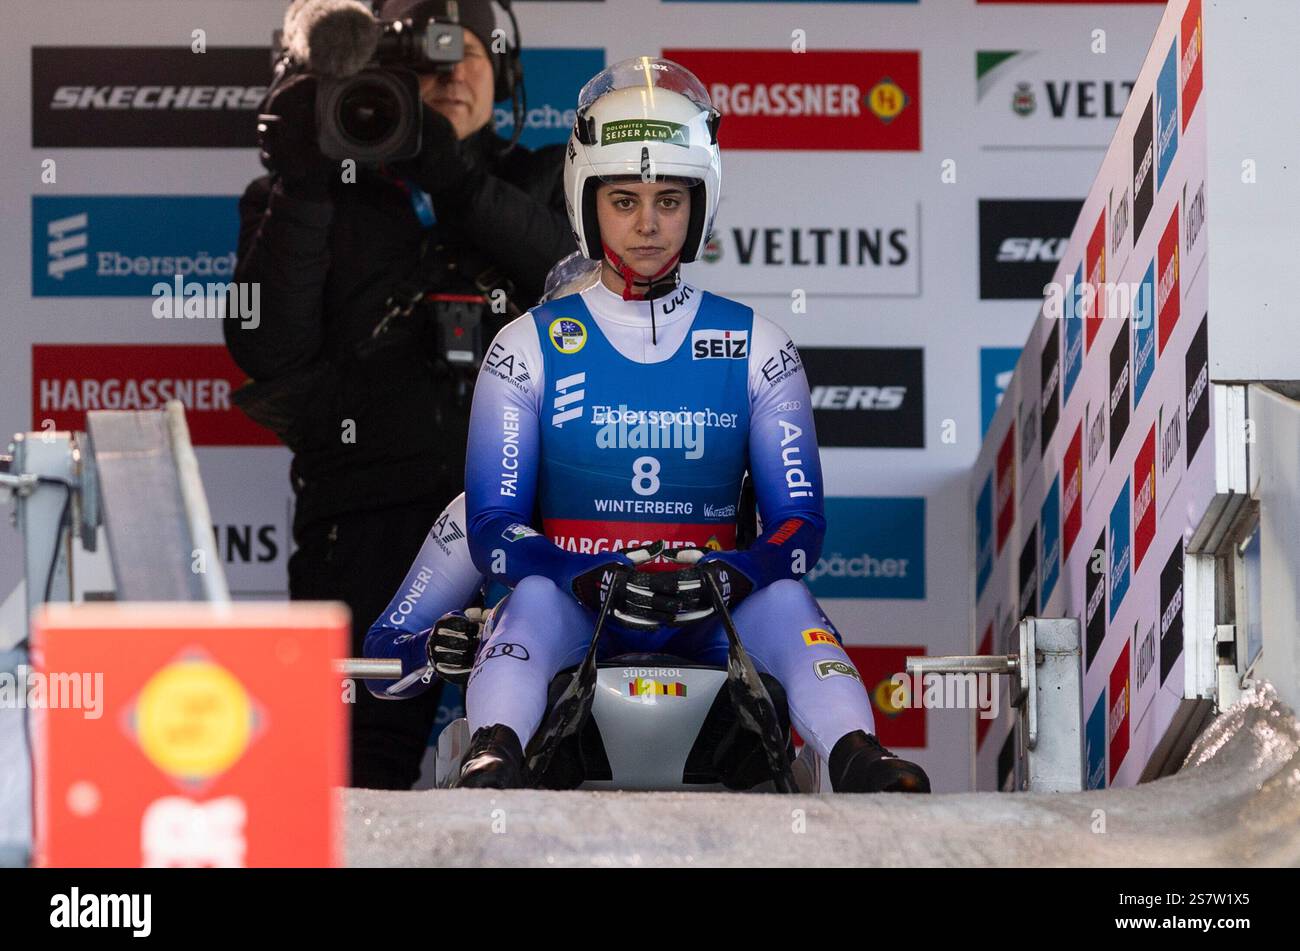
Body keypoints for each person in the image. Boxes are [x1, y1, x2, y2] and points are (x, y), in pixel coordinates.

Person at [452, 57, 931, 793]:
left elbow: (799, 527)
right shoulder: (524, 345)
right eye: (623, 199)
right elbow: (493, 526)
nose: (647, 224)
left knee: (786, 597)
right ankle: (493, 747)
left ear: (702, 204)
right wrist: (583, 575)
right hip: (580, 605)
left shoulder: (757, 347)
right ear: (587, 203)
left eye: (670, 199)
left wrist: (731, 574)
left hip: (715, 606)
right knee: (532, 600)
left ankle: (856, 750)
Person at [223, 0, 574, 789]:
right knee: (349, 774)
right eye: (425, 57)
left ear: (506, 73)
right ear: (382, 75)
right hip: (362, 520)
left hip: (529, 525)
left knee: (538, 764)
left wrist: (454, 177)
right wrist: (306, 182)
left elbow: (580, 291)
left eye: (470, 53)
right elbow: (263, 344)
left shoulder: (552, 180)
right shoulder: (310, 189)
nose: (449, 73)